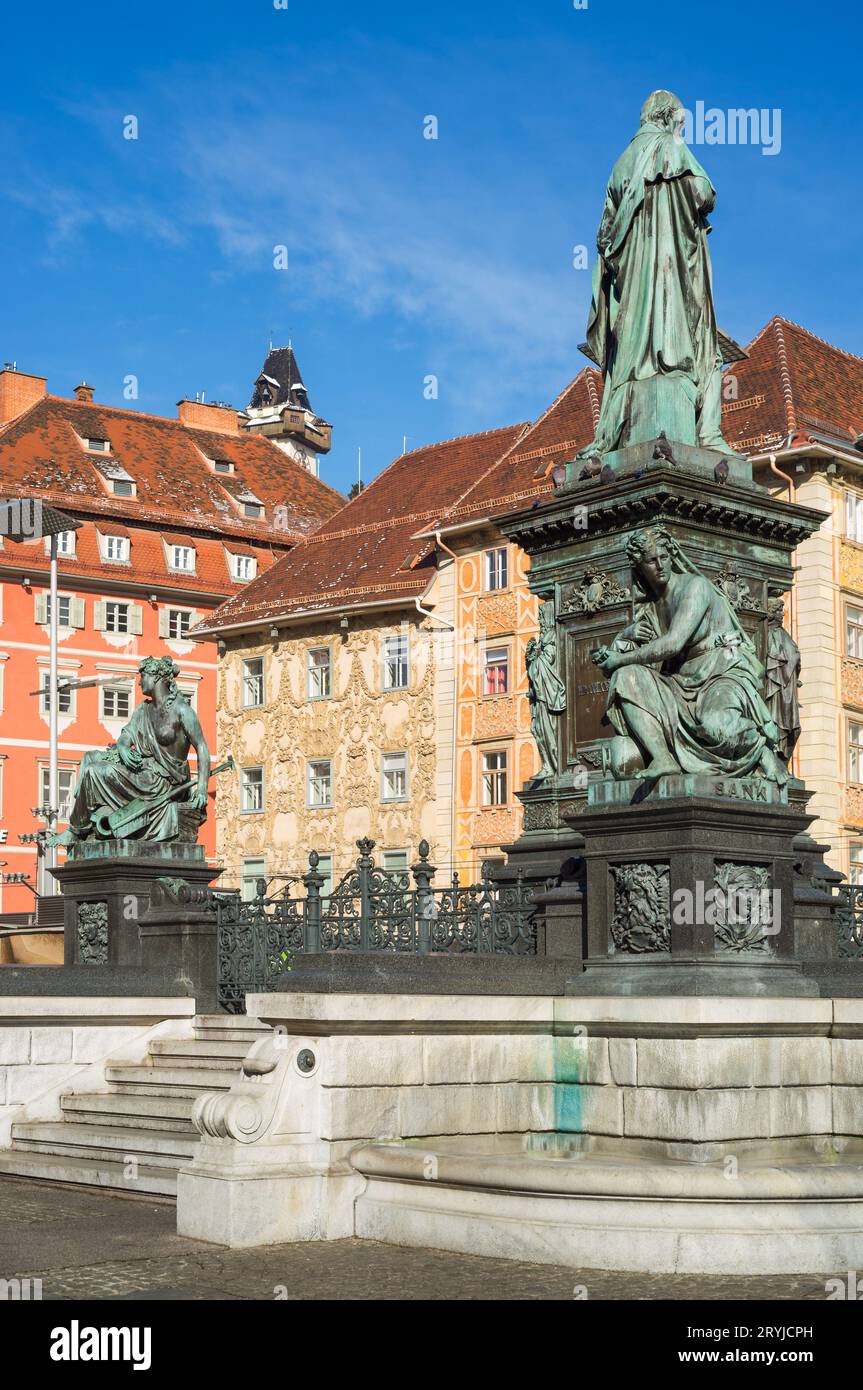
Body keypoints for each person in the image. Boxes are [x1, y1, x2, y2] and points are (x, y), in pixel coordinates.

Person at [591, 527, 786, 783]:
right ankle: (663, 758)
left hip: (720, 672)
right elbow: (637, 653)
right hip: (679, 679)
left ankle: (760, 750)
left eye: (664, 557)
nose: (660, 565)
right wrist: (622, 640)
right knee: (627, 677)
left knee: (713, 725)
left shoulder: (695, 587)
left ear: (672, 556)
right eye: (651, 560)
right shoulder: (650, 606)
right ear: (640, 566)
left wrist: (620, 658)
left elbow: (671, 644)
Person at [55, 655, 211, 843]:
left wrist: (202, 788)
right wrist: (122, 748)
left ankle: (76, 830)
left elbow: (202, 747)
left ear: (155, 678)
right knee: (90, 757)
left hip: (161, 781)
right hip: (142, 770)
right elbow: (126, 736)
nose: (139, 683)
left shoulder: (182, 710)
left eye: (142, 676)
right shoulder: (143, 709)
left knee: (93, 771)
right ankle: (87, 825)